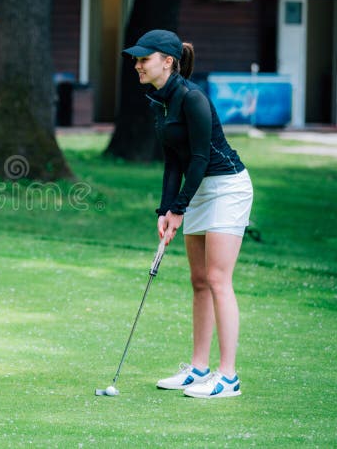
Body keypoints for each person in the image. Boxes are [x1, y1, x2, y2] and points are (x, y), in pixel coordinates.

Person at [122, 29, 254, 398]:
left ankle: (228, 376)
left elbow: (198, 158)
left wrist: (179, 208)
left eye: (143, 59)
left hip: (227, 187)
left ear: (167, 61)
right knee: (198, 280)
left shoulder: (192, 98)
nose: (137, 65)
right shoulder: (160, 102)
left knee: (216, 278)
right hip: (196, 189)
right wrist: (165, 209)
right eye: (136, 59)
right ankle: (199, 368)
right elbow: (172, 161)